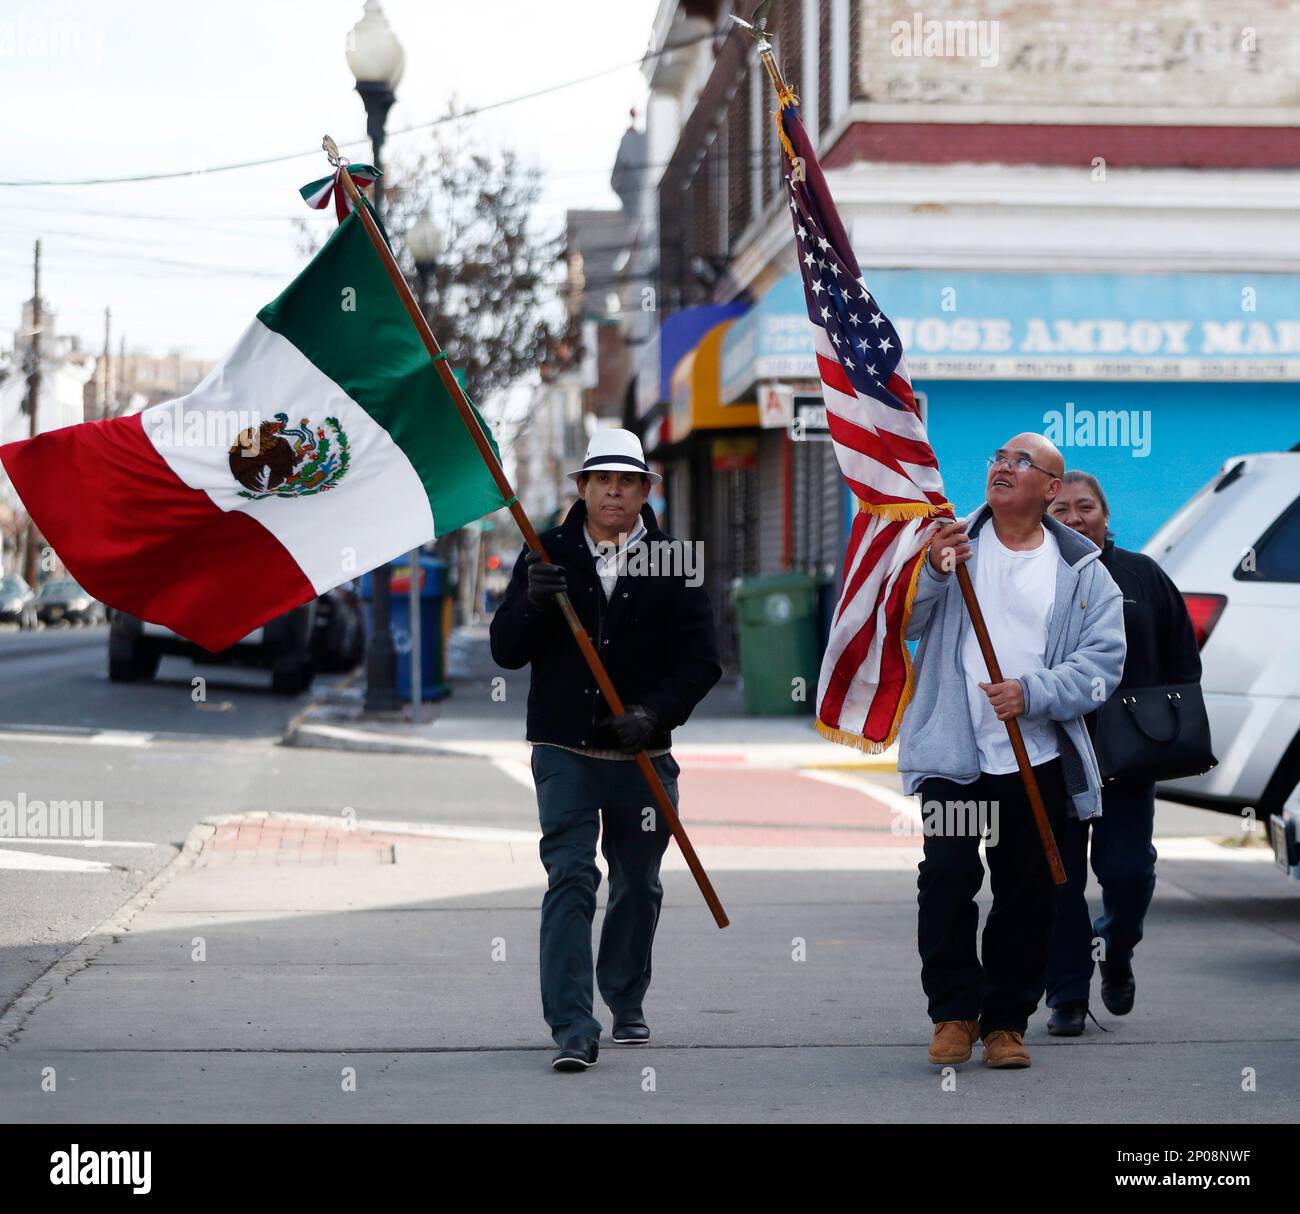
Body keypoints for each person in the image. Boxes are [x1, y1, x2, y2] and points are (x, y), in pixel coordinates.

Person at [489, 429, 721, 1073]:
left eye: (627, 481)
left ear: (646, 490)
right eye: (601, 480)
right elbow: (506, 650)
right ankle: (572, 1025)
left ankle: (625, 995)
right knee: (570, 876)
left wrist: (652, 715)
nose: (614, 491)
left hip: (642, 756)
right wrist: (534, 603)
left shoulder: (676, 560)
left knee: (638, 885)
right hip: (563, 749)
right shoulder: (547, 552)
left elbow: (702, 663)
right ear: (582, 488)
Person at [899, 433, 1125, 1070]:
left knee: (1027, 891)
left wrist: (1034, 693)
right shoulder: (948, 547)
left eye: (1022, 462)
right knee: (946, 880)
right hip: (953, 753)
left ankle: (1005, 1022)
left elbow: (1103, 665)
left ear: (1052, 490)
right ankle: (952, 1014)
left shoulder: (1084, 574)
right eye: (998, 456)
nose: (1003, 466)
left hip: (1036, 759)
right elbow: (902, 623)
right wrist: (933, 574)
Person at [1043, 471, 1202, 1035]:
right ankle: (1065, 996)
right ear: (1044, 513)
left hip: (1128, 754)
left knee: (1128, 872)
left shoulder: (1143, 575)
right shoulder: (1034, 575)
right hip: (1053, 748)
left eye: (1086, 507)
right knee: (1058, 876)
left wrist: (1159, 721)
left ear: (1106, 516)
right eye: (1061, 508)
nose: (1075, 517)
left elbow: (1184, 662)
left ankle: (1115, 947)